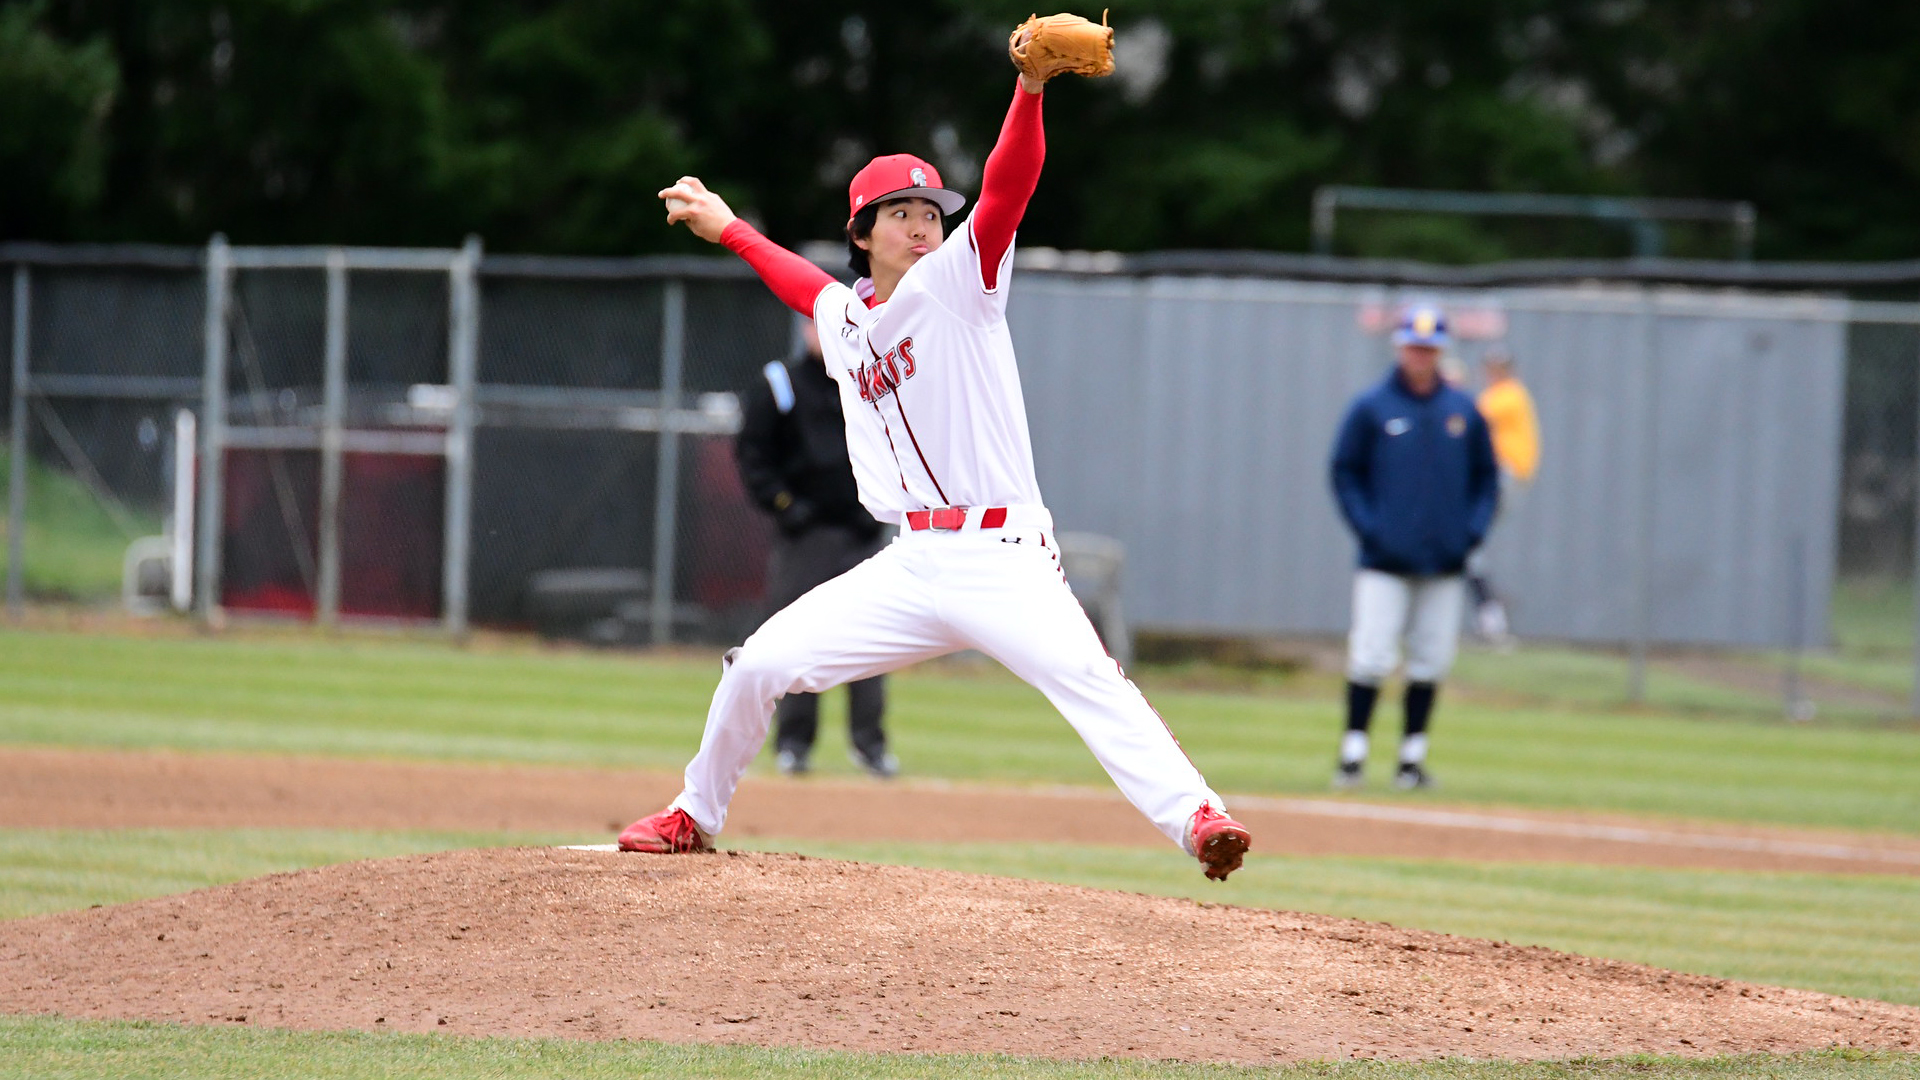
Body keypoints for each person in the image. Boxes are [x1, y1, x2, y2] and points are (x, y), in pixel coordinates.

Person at [616, 23, 1252, 881]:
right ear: (863, 235)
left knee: (1092, 684)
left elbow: (1003, 194)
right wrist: (729, 226)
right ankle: (695, 812)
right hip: (912, 562)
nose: (923, 225)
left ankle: (1200, 820)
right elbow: (799, 282)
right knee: (759, 663)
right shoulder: (846, 318)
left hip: (1004, 556)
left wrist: (1027, 93)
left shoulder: (964, 283)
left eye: (929, 213)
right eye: (903, 214)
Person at [1329, 305, 1499, 791]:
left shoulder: (1463, 410)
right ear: (1399, 347)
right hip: (1385, 558)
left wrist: (1471, 531)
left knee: (1430, 658)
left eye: (1428, 348)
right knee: (1371, 654)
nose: (1419, 356)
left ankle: (1411, 758)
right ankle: (1353, 753)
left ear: (1441, 352)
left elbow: (1487, 479)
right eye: (1412, 346)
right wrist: (1369, 527)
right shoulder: (1373, 407)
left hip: (1445, 559)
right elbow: (1345, 471)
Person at [735, 321, 895, 779]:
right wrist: (785, 506)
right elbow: (752, 454)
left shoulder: (868, 381)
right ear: (806, 328)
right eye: (820, 323)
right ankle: (794, 744)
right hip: (805, 536)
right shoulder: (781, 384)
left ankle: (871, 745)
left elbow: (895, 446)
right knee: (798, 638)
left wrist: (881, 507)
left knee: (871, 641)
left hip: (861, 533)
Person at [1467, 347, 1539, 646]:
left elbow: (1469, 419)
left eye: (1500, 367)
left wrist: (1449, 383)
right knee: (1470, 547)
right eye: (1492, 366)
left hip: (1504, 475)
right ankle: (1491, 614)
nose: (1495, 372)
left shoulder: (1508, 394)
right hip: (1503, 476)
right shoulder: (1502, 394)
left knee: (1469, 544)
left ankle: (1492, 616)